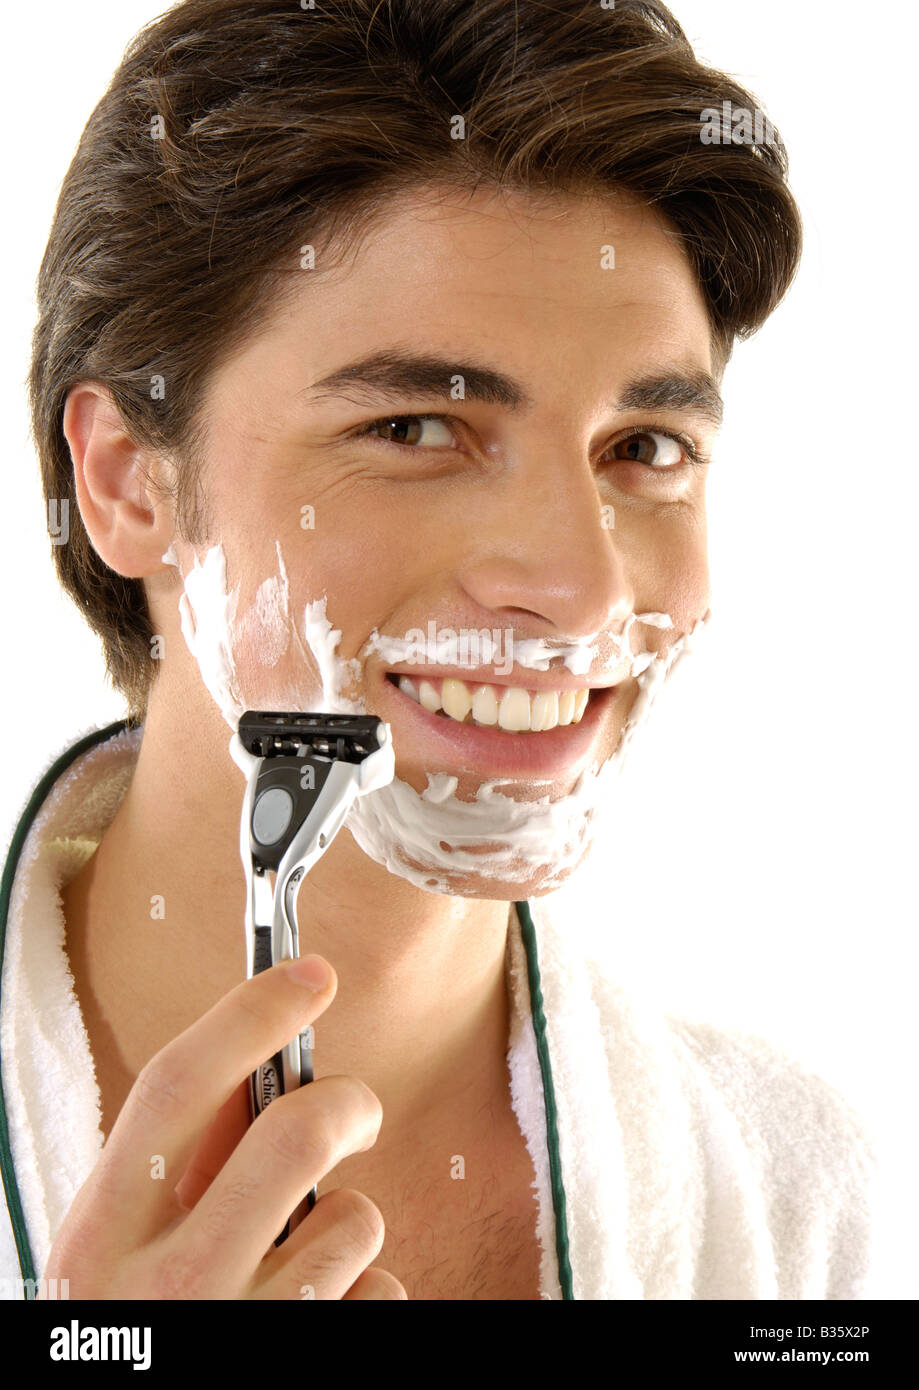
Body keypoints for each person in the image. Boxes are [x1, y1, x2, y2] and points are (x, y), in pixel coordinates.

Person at [0, 0, 880, 1301]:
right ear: (130, 482)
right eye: (417, 429)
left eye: (645, 449)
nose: (578, 588)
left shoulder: (801, 1202)